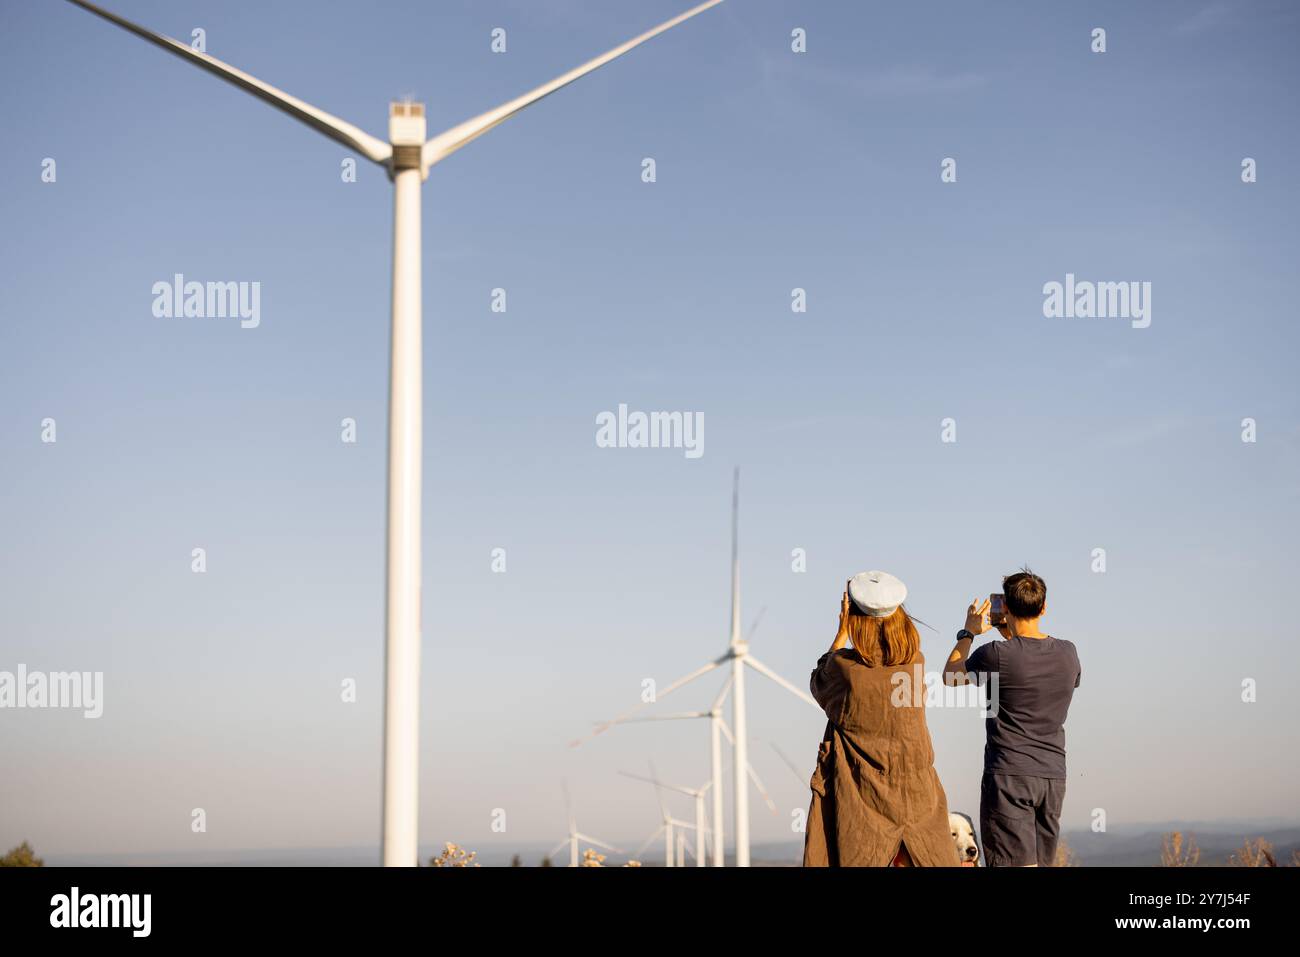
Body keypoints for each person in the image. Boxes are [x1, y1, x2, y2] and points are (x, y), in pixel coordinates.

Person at [803, 571, 959, 867]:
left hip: (863, 800)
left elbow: (819, 685)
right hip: (918, 798)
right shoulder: (915, 662)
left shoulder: (843, 669)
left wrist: (839, 636)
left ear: (851, 615)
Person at [943, 568, 1081, 867]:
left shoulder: (994, 653)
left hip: (1010, 775)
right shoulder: (1069, 653)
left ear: (1004, 607)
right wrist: (1012, 638)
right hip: (1053, 776)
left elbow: (951, 676)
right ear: (1043, 608)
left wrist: (968, 632)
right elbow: (1036, 674)